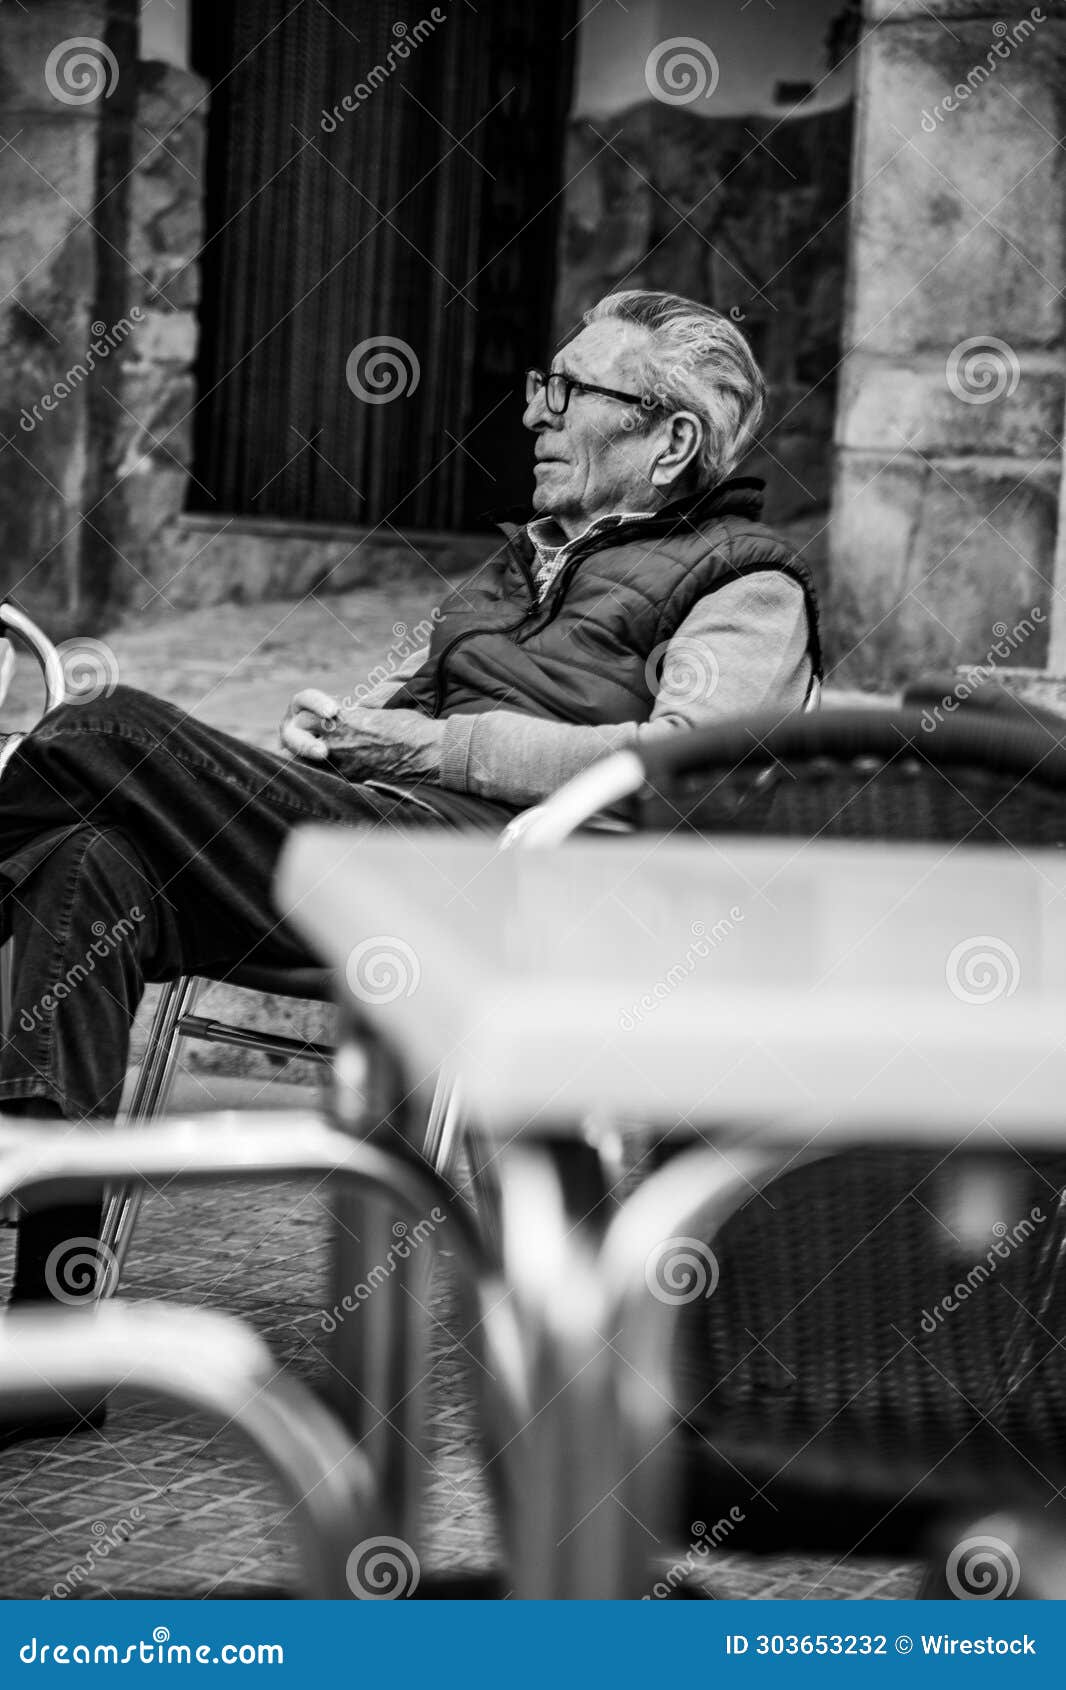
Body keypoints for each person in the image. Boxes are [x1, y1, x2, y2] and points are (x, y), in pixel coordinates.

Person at [0, 288, 821, 1332]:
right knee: (89, 860)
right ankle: (50, 1320)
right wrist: (353, 727)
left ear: (670, 441)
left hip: (521, 889)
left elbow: (680, 770)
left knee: (107, 727)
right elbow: (412, 715)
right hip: (383, 848)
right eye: (544, 386)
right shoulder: (519, 561)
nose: (535, 413)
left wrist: (439, 746)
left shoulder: (746, 586)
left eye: (571, 390)